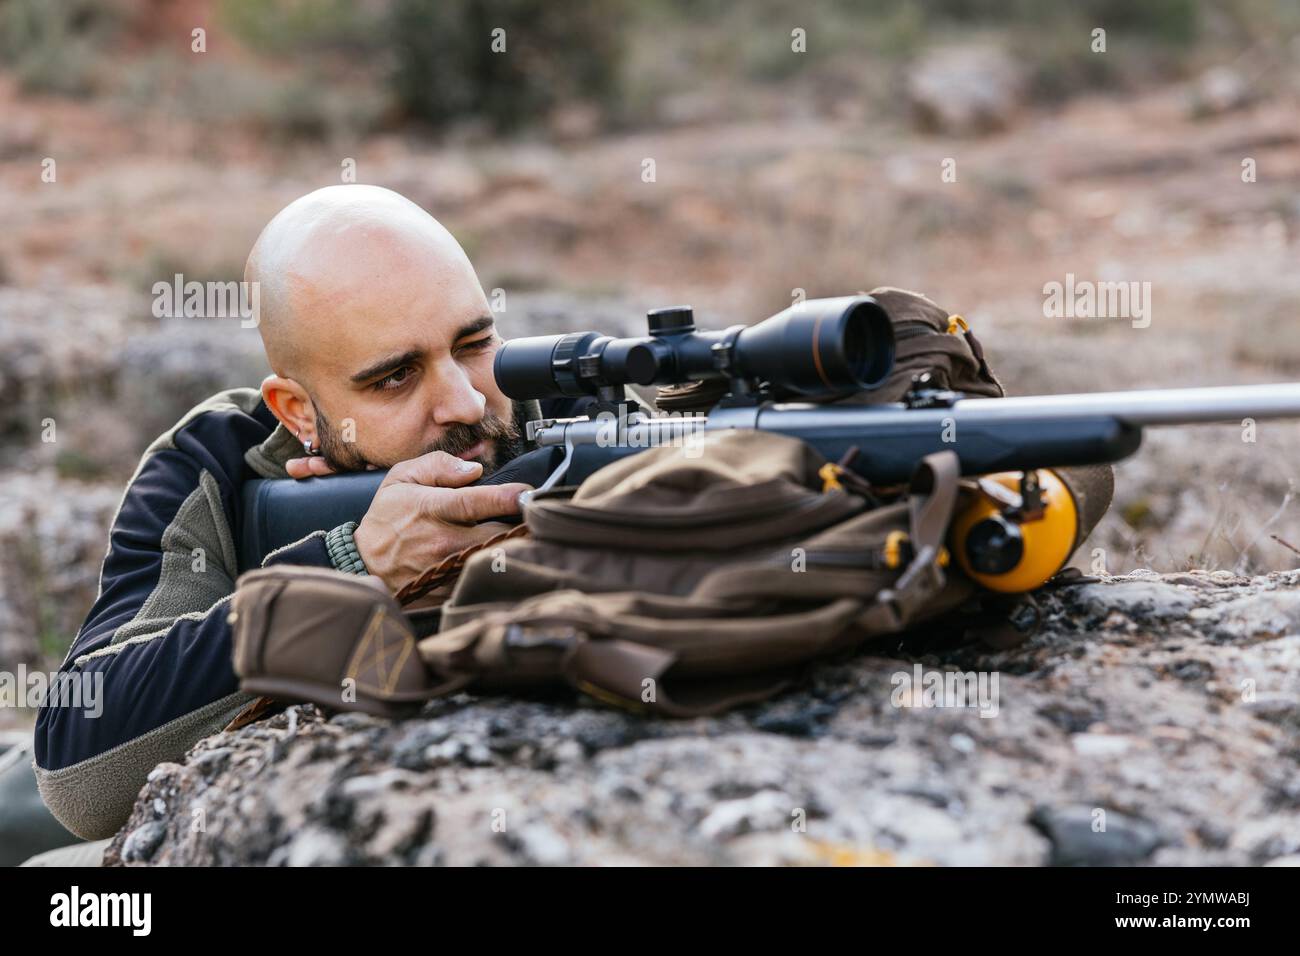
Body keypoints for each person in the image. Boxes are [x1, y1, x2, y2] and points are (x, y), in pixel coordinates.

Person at [32, 185, 580, 846]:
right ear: (297, 412)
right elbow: (76, 769)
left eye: (473, 343)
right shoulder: (220, 459)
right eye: (395, 377)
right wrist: (353, 565)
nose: (466, 403)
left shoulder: (577, 413)